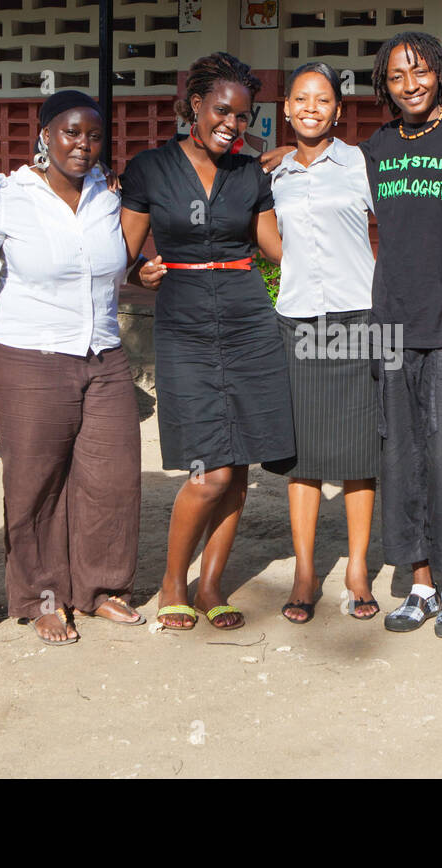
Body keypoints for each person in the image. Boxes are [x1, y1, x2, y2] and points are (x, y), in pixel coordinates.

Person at [124, 53, 291, 632]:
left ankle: (212, 585)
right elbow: (123, 255)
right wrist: (138, 272)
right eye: (223, 111)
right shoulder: (149, 168)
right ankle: (174, 580)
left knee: (238, 462)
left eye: (244, 117)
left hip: (248, 317)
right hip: (186, 321)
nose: (233, 125)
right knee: (209, 469)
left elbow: (275, 249)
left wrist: (305, 167)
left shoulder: (251, 174)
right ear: (195, 105)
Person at [0, 90, 142, 645]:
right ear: (46, 134)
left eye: (94, 135)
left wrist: (143, 269)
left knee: (112, 477)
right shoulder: (5, 194)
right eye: (71, 133)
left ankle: (99, 589)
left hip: (102, 353)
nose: (83, 144)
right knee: (35, 483)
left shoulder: (108, 193)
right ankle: (42, 596)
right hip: (29, 355)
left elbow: (124, 255)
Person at [358, 32, 442, 638]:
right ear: (383, 86)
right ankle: (419, 582)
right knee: (401, 454)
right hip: (390, 321)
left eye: (419, 72)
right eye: (395, 76)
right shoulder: (375, 148)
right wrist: (283, 157)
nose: (409, 85)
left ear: (439, 73)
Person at [266, 62, 380, 623]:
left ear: (338, 110)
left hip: (357, 316)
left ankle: (357, 568)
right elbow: (263, 233)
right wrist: (298, 269)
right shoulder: (275, 175)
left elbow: (401, 225)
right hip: (298, 320)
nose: (311, 108)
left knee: (360, 452)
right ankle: (306, 571)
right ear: (285, 108)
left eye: (323, 100)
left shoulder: (361, 164)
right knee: (303, 455)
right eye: (301, 99)